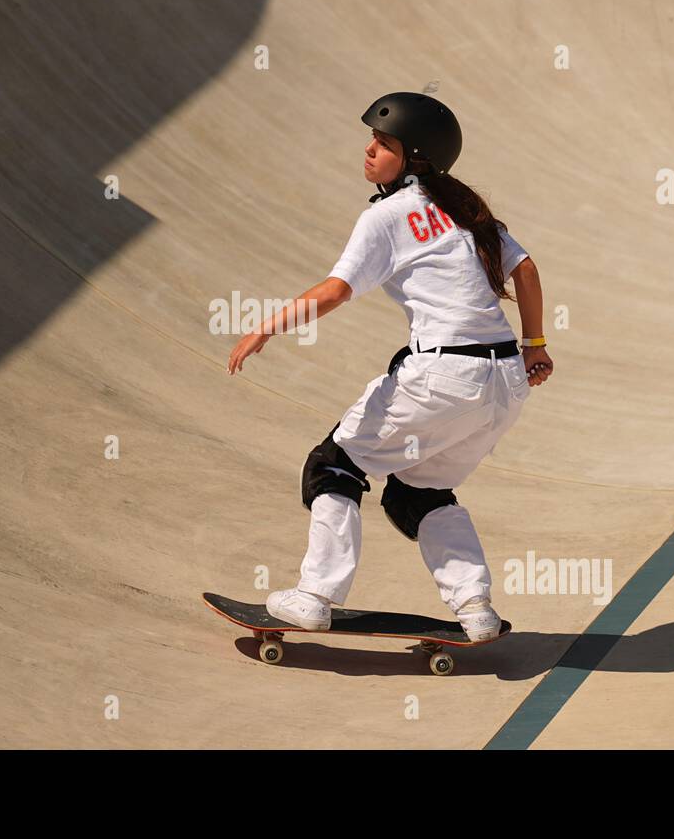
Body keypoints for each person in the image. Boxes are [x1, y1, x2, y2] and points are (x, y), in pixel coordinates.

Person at [227, 91, 553, 642]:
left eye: (384, 143)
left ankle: (314, 596)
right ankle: (476, 608)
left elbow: (336, 291)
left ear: (415, 158)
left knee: (336, 465)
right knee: (420, 493)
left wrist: (267, 325)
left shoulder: (389, 214)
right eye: (373, 140)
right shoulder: (467, 212)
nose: (369, 150)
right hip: (503, 385)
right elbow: (526, 270)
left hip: (444, 376)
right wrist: (536, 344)